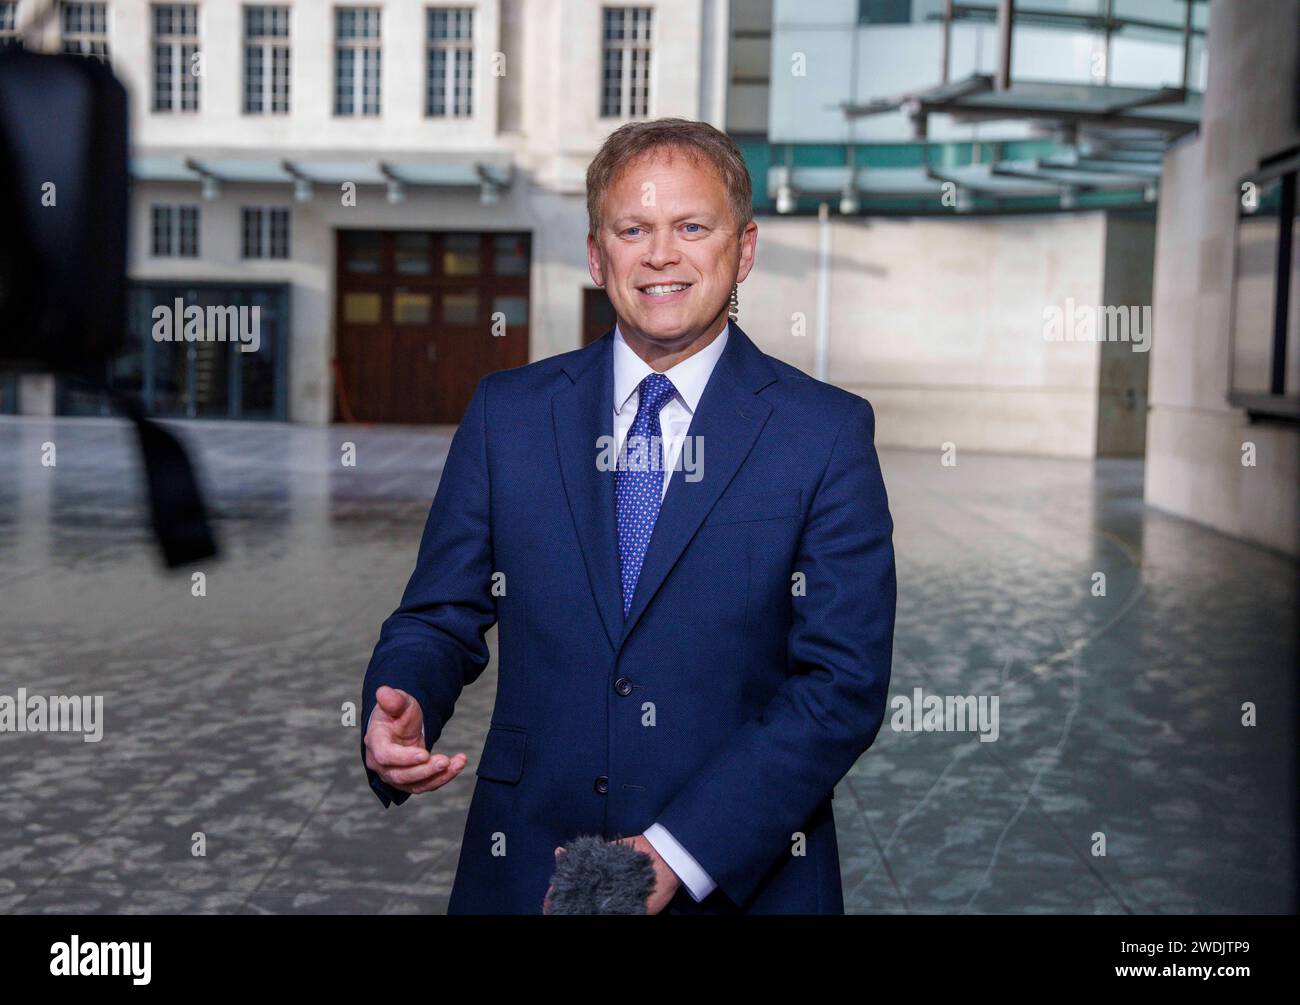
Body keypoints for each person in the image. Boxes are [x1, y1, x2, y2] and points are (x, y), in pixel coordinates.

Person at [360, 116, 896, 914]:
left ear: (742, 249)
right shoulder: (509, 413)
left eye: (691, 227)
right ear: (595, 253)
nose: (660, 255)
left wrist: (679, 852)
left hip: (744, 879)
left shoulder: (824, 433)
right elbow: (441, 610)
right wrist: (403, 692)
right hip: (526, 866)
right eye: (633, 228)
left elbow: (841, 684)